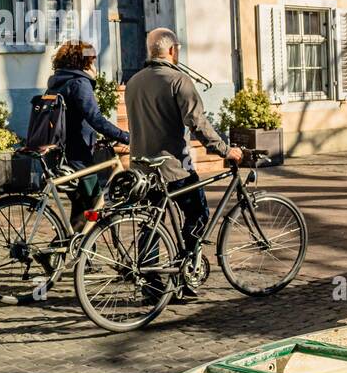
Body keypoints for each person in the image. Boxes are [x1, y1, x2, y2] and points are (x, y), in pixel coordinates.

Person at [124, 28, 241, 300]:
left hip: (141, 167)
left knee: (151, 222)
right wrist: (224, 149)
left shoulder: (134, 81)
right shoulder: (178, 80)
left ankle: (152, 286)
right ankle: (186, 274)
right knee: (197, 212)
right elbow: (197, 123)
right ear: (173, 50)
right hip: (173, 167)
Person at [47, 41, 130, 223]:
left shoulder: (57, 82)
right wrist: (125, 137)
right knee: (95, 205)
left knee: (81, 211)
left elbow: (70, 118)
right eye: (92, 61)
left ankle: (69, 248)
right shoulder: (79, 83)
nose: (94, 66)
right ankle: (74, 247)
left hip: (61, 155)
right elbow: (96, 119)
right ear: (83, 62)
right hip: (78, 158)